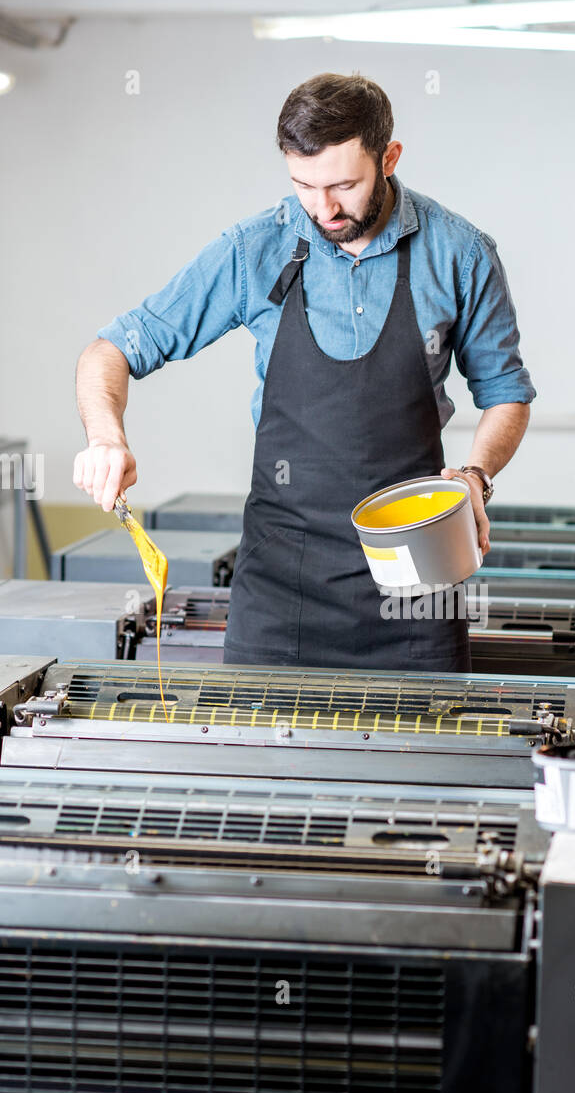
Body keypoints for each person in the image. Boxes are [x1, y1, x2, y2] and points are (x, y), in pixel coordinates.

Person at [74, 72, 535, 670]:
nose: (323, 208)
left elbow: (506, 394)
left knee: (422, 763)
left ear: (389, 157)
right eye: (303, 186)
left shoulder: (460, 253)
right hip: (279, 593)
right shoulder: (253, 248)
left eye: (344, 185)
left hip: (417, 586)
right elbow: (109, 351)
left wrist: (475, 475)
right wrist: (106, 438)